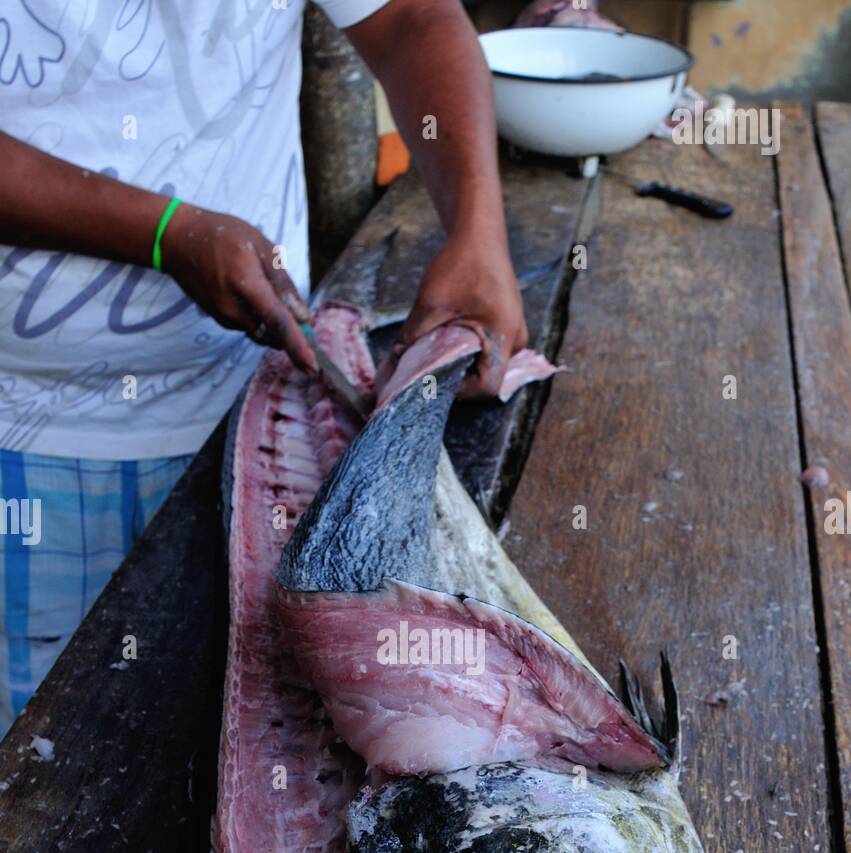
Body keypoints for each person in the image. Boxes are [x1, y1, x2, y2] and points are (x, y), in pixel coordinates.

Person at [0, 0, 527, 734]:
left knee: (252, 738)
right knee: (44, 759)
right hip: (26, 441)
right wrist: (166, 233)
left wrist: (476, 230)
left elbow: (411, 18)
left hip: (261, 407)